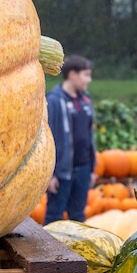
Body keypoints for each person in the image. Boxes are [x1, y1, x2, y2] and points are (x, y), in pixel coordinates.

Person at [44, 55, 95, 224]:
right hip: (62, 172)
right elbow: (48, 139)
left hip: (83, 169)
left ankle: (77, 251)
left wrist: (92, 169)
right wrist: (50, 175)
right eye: (86, 74)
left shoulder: (85, 100)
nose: (89, 79)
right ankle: (48, 251)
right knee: (54, 216)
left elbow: (89, 136)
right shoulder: (54, 100)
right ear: (73, 74)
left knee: (78, 216)